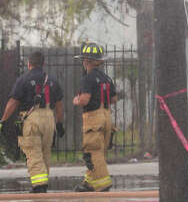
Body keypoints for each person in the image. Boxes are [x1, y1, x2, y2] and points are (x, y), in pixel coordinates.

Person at [0, 51, 66, 193]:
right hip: (49, 118)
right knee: (45, 152)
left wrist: (3, 121)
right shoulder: (53, 80)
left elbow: (13, 102)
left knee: (33, 152)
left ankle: (39, 185)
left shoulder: (23, 80)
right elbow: (60, 105)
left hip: (31, 119)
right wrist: (59, 123)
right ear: (43, 64)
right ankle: (43, 181)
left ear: (29, 64)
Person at [73, 42, 118, 192]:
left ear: (87, 61)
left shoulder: (87, 78)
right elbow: (114, 99)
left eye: (84, 60)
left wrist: (77, 100)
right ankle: (89, 182)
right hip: (106, 116)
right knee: (100, 151)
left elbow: (85, 99)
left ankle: (103, 183)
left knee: (92, 152)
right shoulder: (107, 78)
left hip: (93, 117)